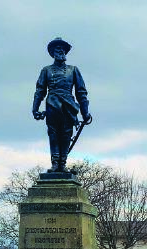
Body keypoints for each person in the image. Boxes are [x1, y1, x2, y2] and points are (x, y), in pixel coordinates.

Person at [32, 37, 92, 172]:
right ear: (52, 52)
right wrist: (35, 108)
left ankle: (62, 163)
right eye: (57, 48)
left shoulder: (73, 70)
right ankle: (55, 163)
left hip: (68, 106)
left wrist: (85, 112)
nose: (60, 50)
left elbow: (81, 92)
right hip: (52, 104)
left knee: (66, 134)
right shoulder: (46, 70)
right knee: (53, 134)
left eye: (62, 49)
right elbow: (40, 90)